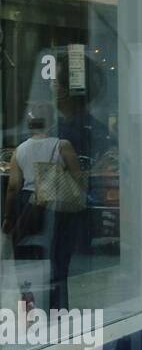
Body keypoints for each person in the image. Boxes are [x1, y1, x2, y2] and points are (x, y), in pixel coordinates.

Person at [2, 104, 83, 310]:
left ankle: (30, 312)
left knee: (27, 261)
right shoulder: (62, 146)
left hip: (29, 208)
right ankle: (58, 310)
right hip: (59, 208)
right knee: (58, 261)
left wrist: (9, 218)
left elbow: (13, 188)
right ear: (52, 121)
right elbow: (78, 179)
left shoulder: (19, 151)